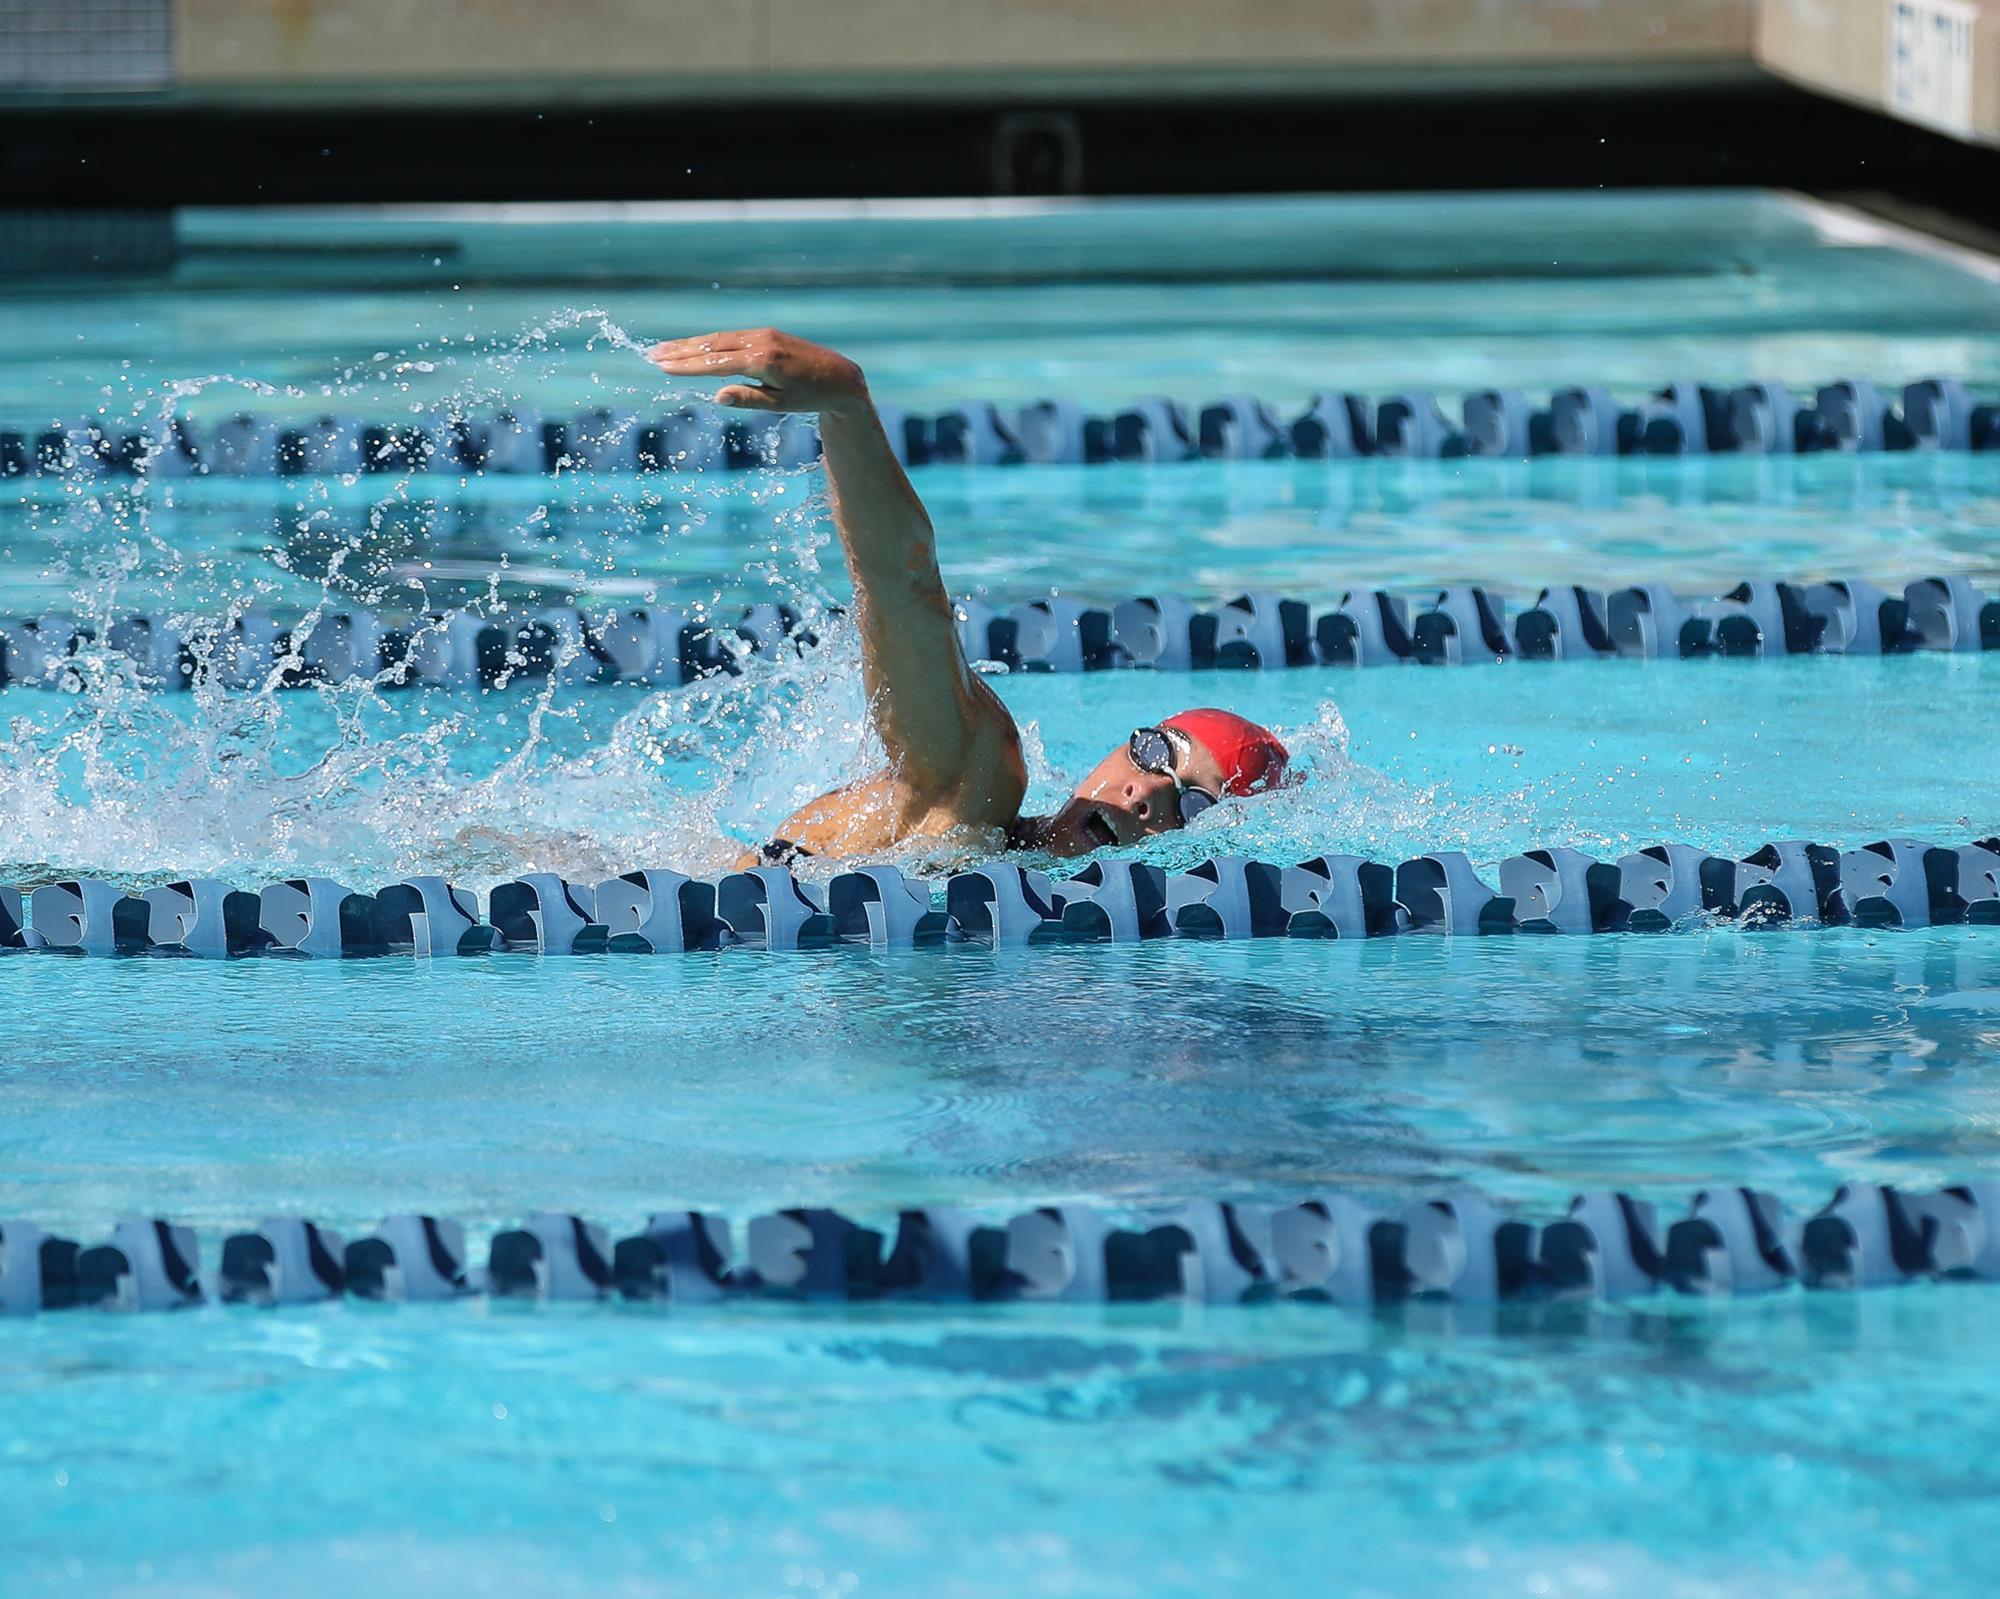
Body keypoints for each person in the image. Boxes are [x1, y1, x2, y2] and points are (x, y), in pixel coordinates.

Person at [645, 329, 1291, 870]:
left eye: (1193, 805)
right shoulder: (982, 784)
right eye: (1157, 752)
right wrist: (847, 409)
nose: (1146, 795)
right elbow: (905, 589)